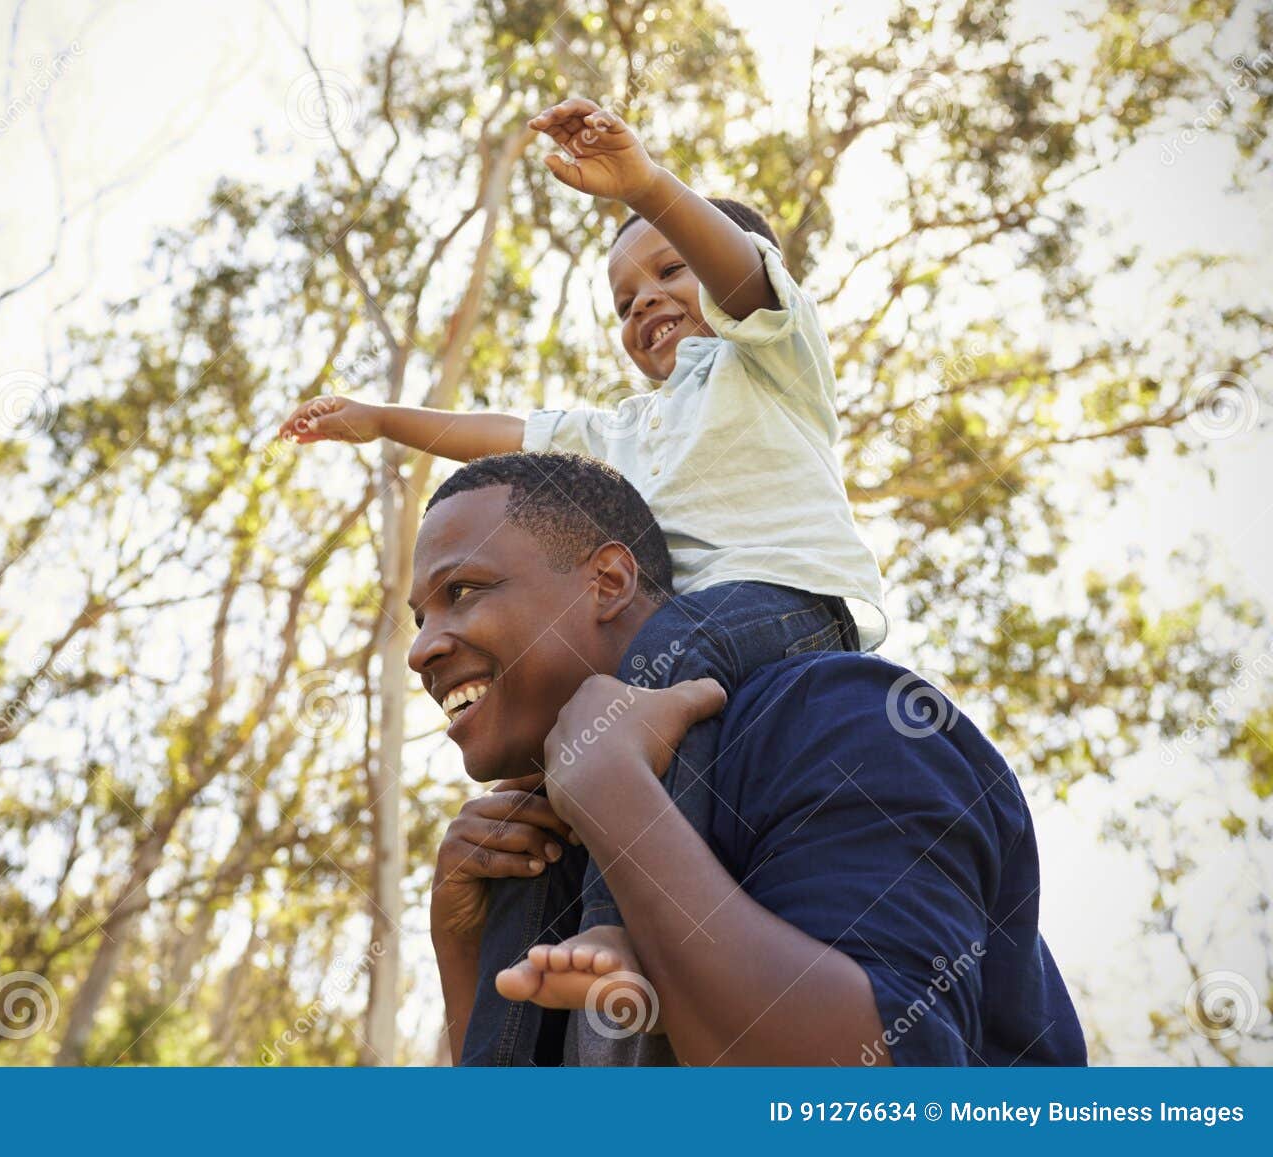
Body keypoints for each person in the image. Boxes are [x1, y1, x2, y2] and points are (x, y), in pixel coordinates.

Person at [279, 97, 886, 1013]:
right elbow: (497, 434)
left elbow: (741, 272)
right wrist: (380, 420)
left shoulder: (771, 360)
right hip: (691, 645)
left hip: (795, 607)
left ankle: (616, 923)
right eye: (624, 299)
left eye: (672, 268)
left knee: (625, 692)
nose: (646, 299)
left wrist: (643, 184)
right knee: (584, 744)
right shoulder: (621, 429)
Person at [412, 451, 1085, 1066]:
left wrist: (615, 791)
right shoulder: (554, 855)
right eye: (419, 619)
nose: (421, 650)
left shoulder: (838, 719)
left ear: (610, 580)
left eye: (463, 591)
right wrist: (464, 952)